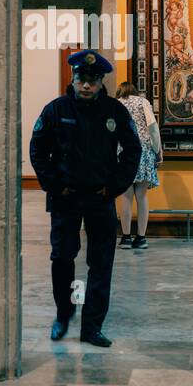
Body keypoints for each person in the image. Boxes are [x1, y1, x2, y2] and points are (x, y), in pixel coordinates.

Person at [28, 50, 141, 347]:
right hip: (65, 199)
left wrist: (114, 186)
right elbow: (38, 150)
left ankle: (91, 327)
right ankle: (63, 316)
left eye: (92, 80)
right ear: (73, 79)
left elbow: (132, 151)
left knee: (101, 264)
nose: (86, 85)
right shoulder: (56, 109)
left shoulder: (115, 111)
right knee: (62, 259)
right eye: (81, 79)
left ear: (101, 82)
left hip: (99, 199)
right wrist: (54, 184)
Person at [115, 81, 161, 250]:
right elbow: (153, 128)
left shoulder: (117, 103)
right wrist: (158, 151)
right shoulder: (143, 102)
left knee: (126, 196)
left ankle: (125, 237)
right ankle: (141, 238)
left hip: (123, 151)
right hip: (144, 151)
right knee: (142, 196)